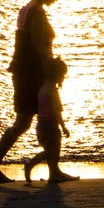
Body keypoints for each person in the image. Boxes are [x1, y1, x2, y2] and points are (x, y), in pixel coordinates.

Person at [0, 0, 61, 184]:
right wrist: (51, 72)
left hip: (23, 73)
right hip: (32, 75)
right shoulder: (36, 13)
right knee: (42, 119)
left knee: (26, 122)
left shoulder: (27, 9)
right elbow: (39, 48)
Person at [24, 56, 79, 184]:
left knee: (49, 151)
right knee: (52, 152)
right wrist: (64, 127)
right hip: (50, 125)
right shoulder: (52, 91)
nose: (63, 78)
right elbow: (57, 112)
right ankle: (33, 166)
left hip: (41, 124)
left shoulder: (42, 88)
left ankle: (53, 173)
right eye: (62, 75)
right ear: (57, 74)